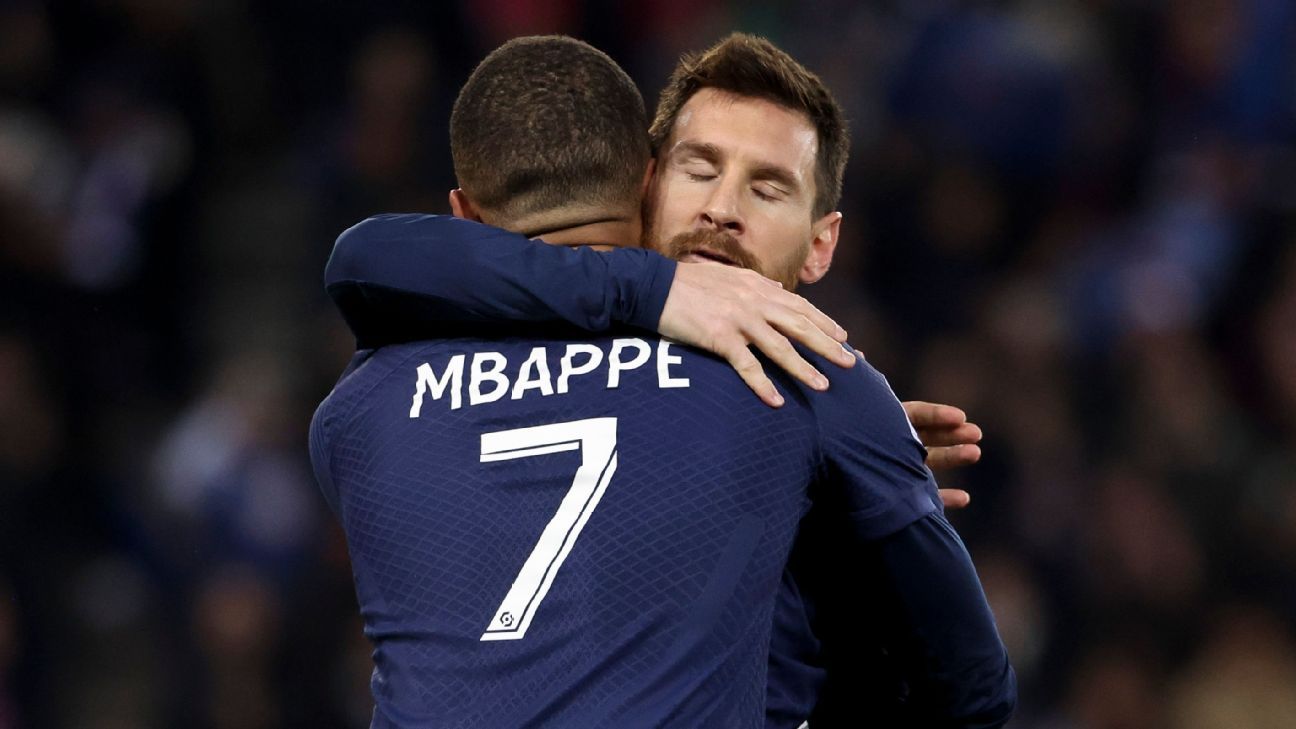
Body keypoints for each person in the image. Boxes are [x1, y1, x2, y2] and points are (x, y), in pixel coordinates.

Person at [314, 35, 1014, 727]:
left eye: (768, 188)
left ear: (821, 241)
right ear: (647, 182)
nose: (721, 209)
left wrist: (825, 506)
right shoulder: (811, 389)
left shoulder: (360, 405)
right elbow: (972, 692)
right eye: (699, 169)